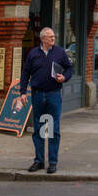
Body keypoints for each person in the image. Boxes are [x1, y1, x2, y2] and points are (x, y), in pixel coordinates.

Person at [16, 26, 73, 174]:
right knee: (39, 128)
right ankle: (39, 161)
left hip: (54, 94)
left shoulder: (60, 52)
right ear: (43, 39)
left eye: (53, 36)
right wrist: (23, 92)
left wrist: (64, 77)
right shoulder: (33, 54)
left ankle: (53, 161)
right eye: (50, 37)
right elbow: (25, 73)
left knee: (53, 129)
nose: (53, 39)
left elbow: (69, 69)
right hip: (38, 95)